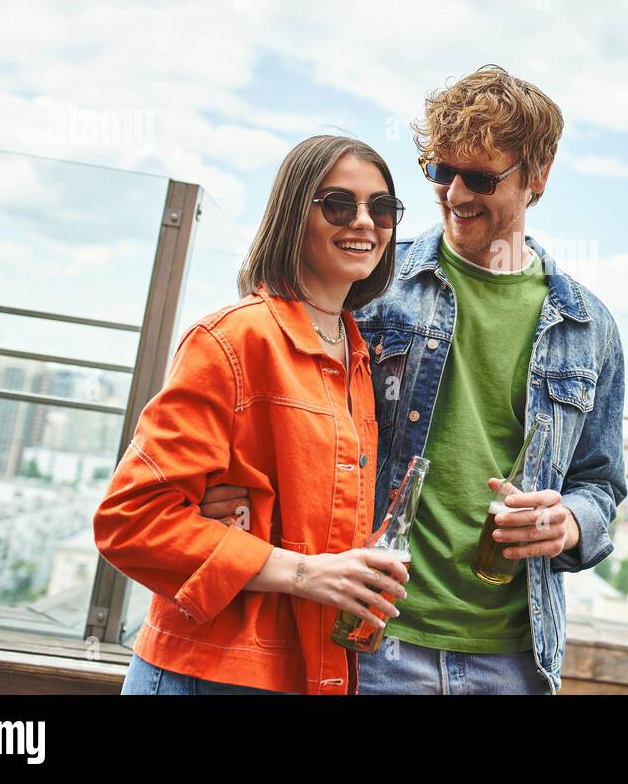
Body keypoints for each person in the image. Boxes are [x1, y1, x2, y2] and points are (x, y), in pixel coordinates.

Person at [203, 67, 627, 694]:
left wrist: (567, 522)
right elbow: (272, 371)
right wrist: (236, 491)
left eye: (481, 178)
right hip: (369, 638)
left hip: (514, 661)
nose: (455, 193)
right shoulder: (371, 283)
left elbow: (600, 486)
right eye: (439, 171)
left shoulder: (589, 328)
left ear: (538, 176)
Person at [93, 134, 411, 695]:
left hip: (309, 672)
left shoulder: (357, 355)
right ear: (294, 216)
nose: (364, 222)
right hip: (209, 672)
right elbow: (132, 520)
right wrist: (307, 573)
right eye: (339, 204)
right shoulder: (233, 340)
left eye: (381, 208)